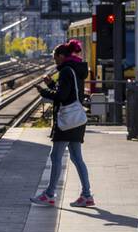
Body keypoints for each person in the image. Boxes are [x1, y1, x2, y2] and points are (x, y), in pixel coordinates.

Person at [31, 42, 94, 207]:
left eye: (55, 58)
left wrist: (44, 92)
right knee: (76, 157)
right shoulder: (76, 69)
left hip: (66, 121)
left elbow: (63, 96)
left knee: (56, 156)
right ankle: (87, 195)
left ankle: (50, 194)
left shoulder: (66, 71)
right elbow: (70, 92)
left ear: (61, 56)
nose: (54, 61)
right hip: (77, 120)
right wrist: (52, 85)